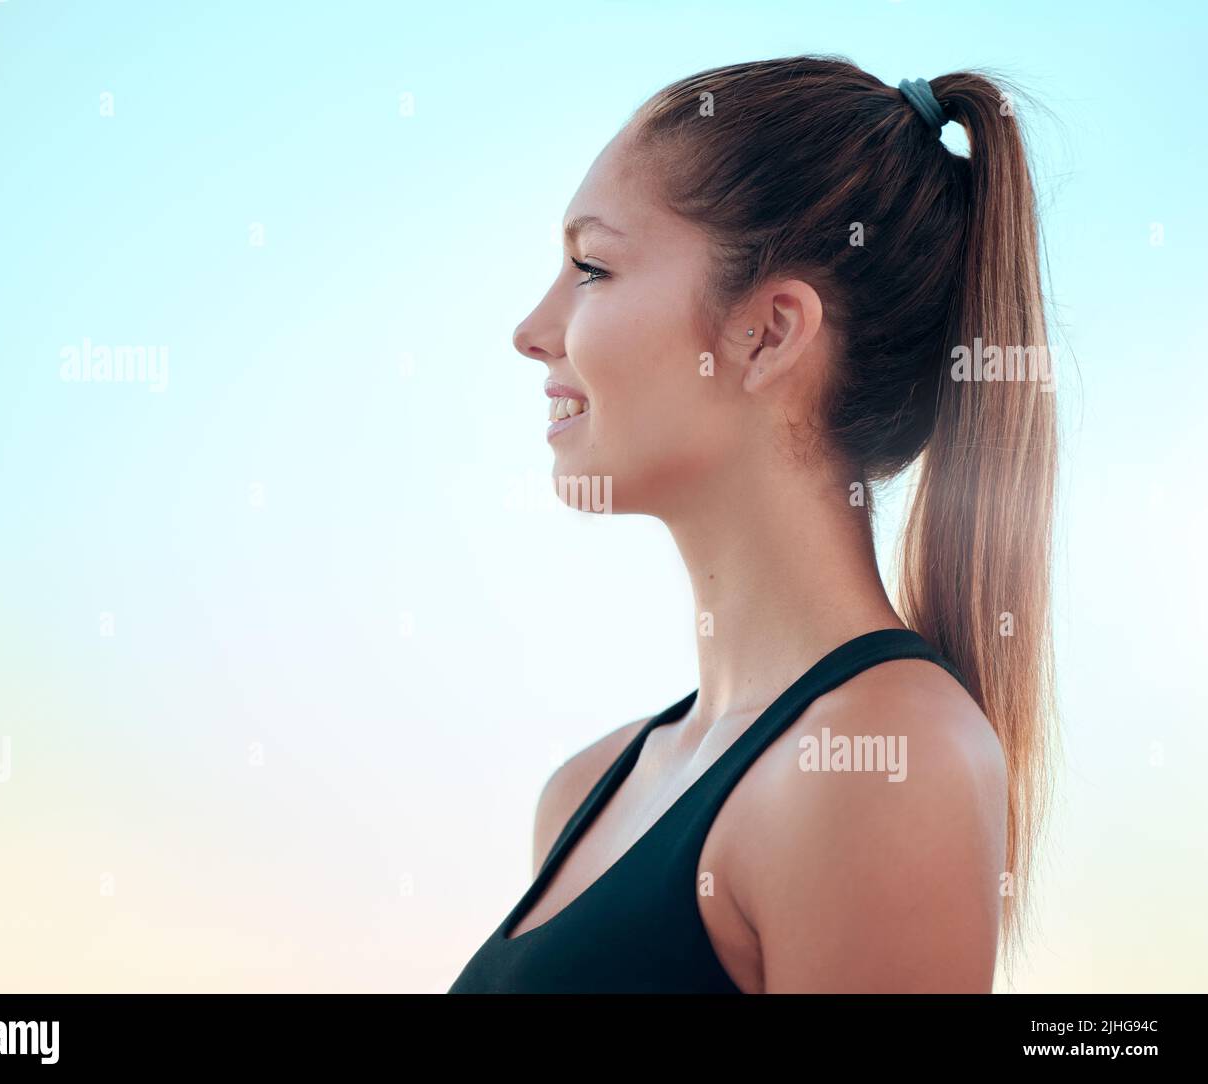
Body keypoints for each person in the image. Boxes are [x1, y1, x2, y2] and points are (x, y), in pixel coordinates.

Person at [449, 56, 1058, 994]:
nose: (532, 329)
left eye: (591, 267)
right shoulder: (584, 792)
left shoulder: (892, 764)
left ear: (770, 334)